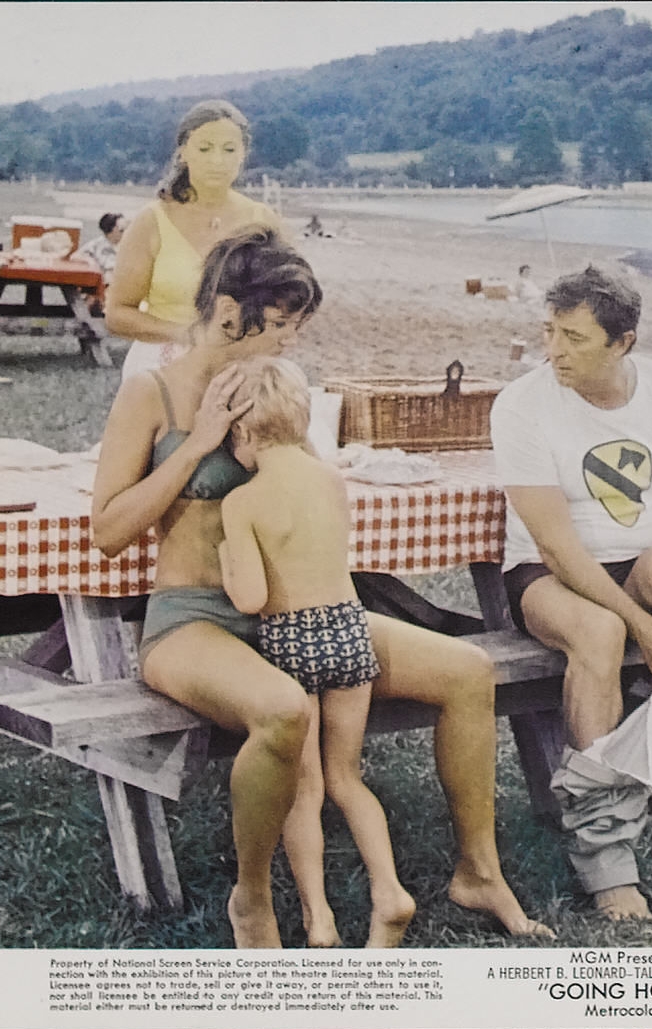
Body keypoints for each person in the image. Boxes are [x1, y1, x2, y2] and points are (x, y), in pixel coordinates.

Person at [92, 226, 550, 947]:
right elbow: (110, 529)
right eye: (277, 327)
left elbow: (305, 493)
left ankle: (478, 871)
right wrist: (202, 443)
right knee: (281, 710)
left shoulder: (275, 389)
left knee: (469, 671)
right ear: (224, 312)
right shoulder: (153, 394)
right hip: (193, 622)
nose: (287, 344)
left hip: (294, 617)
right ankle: (251, 896)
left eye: (296, 328)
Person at [490, 264, 652, 922]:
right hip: (547, 573)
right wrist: (640, 627)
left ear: (623, 342)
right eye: (549, 331)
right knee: (601, 633)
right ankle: (604, 849)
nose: (553, 350)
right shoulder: (522, 403)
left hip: (640, 562)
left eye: (573, 337)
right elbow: (558, 547)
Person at [218, 355, 414, 948]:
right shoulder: (330, 480)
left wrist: (228, 561)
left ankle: (319, 918)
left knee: (304, 791)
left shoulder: (242, 503)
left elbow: (251, 598)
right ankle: (390, 890)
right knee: (348, 778)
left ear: (243, 432)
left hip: (293, 642)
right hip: (350, 633)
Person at [106, 99, 281, 383]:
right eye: (204, 148)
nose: (217, 160)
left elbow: (287, 302)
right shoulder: (152, 221)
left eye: (229, 149)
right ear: (183, 152)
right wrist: (190, 334)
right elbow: (117, 315)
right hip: (160, 370)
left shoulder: (263, 221)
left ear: (243, 155)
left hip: (240, 369)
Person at [74, 212, 126, 279]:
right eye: (121, 230)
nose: (125, 233)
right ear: (110, 230)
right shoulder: (96, 244)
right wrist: (89, 261)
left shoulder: (126, 246)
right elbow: (75, 256)